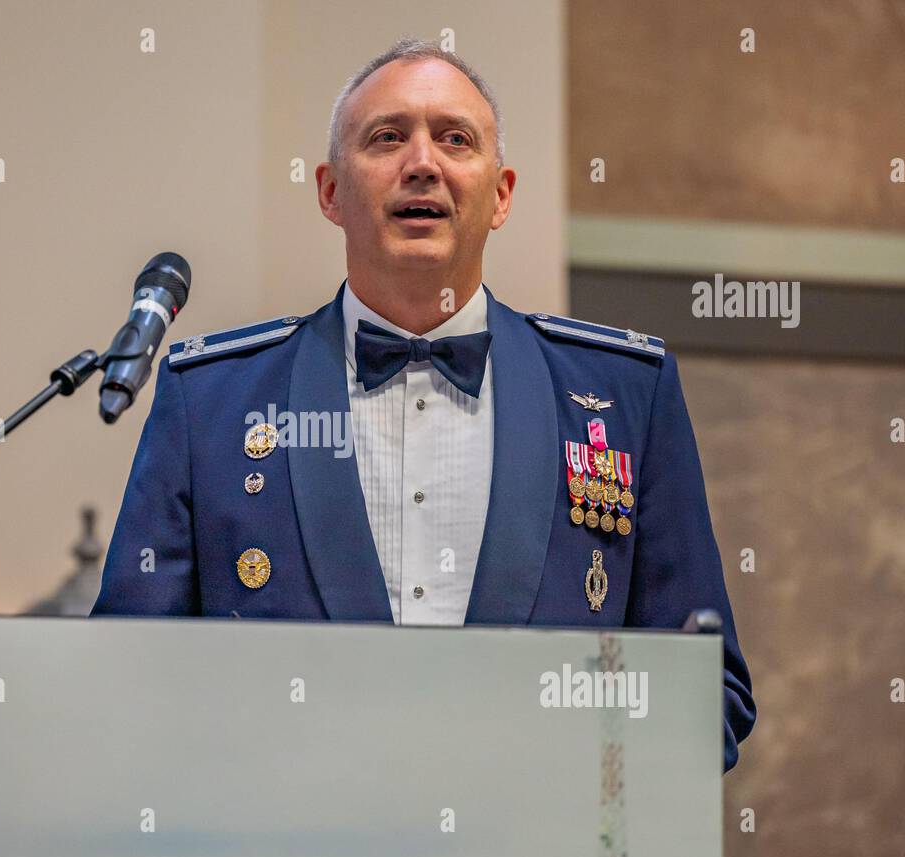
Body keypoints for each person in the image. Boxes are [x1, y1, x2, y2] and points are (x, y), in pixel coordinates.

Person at [92, 38, 755, 772]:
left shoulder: (628, 393)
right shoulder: (210, 398)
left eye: (454, 139)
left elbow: (709, 690)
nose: (422, 162)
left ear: (501, 194)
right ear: (330, 192)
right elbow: (125, 674)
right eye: (386, 137)